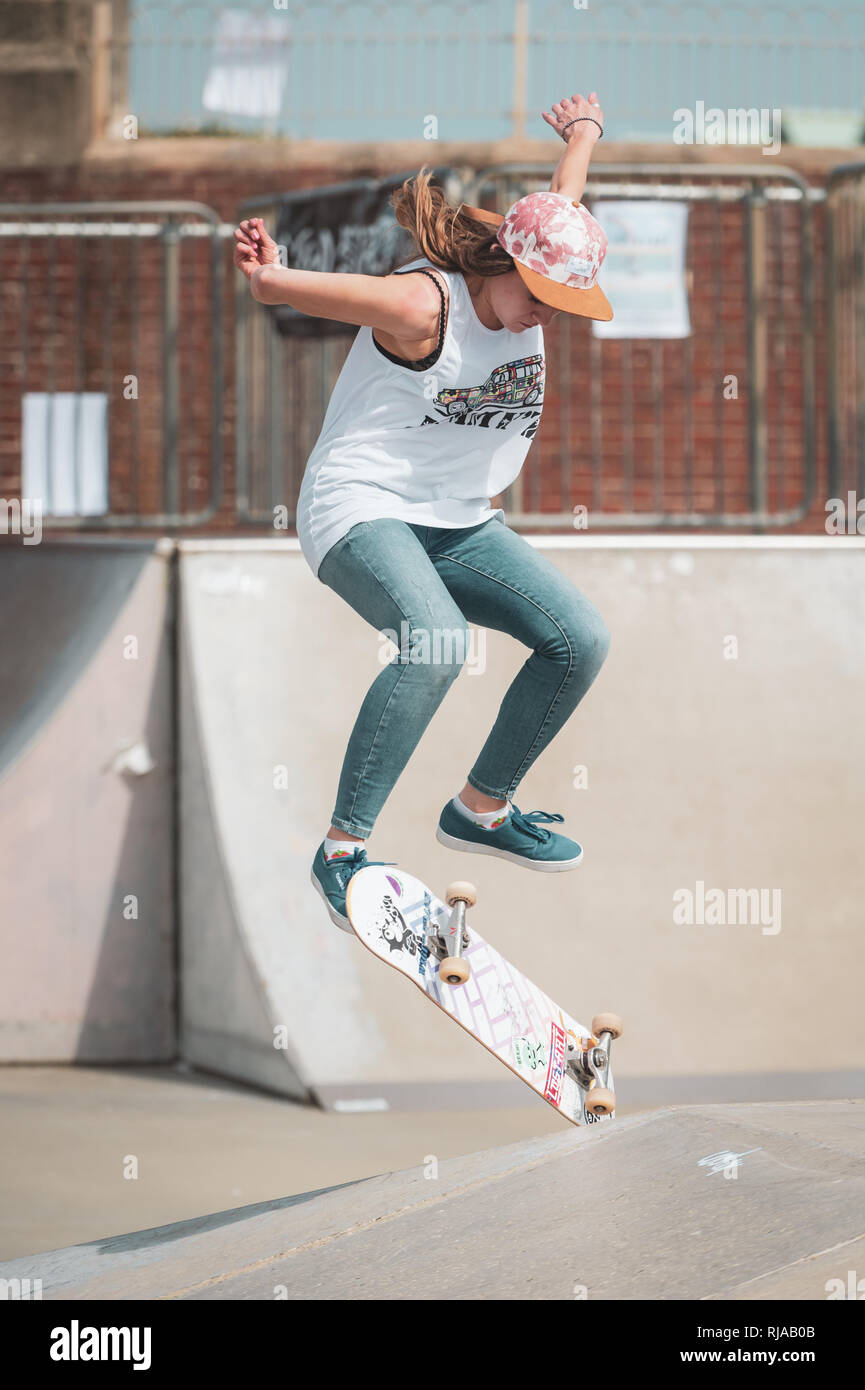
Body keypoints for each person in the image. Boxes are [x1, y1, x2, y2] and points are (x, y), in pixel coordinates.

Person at [234, 92, 613, 931]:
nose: (544, 317)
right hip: (358, 507)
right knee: (436, 640)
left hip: (457, 519)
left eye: (558, 304)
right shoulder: (420, 308)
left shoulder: (535, 268)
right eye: (539, 298)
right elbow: (293, 293)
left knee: (578, 638)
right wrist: (268, 275)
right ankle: (341, 852)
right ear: (502, 266)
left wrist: (582, 136)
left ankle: (479, 809)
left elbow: (565, 202)